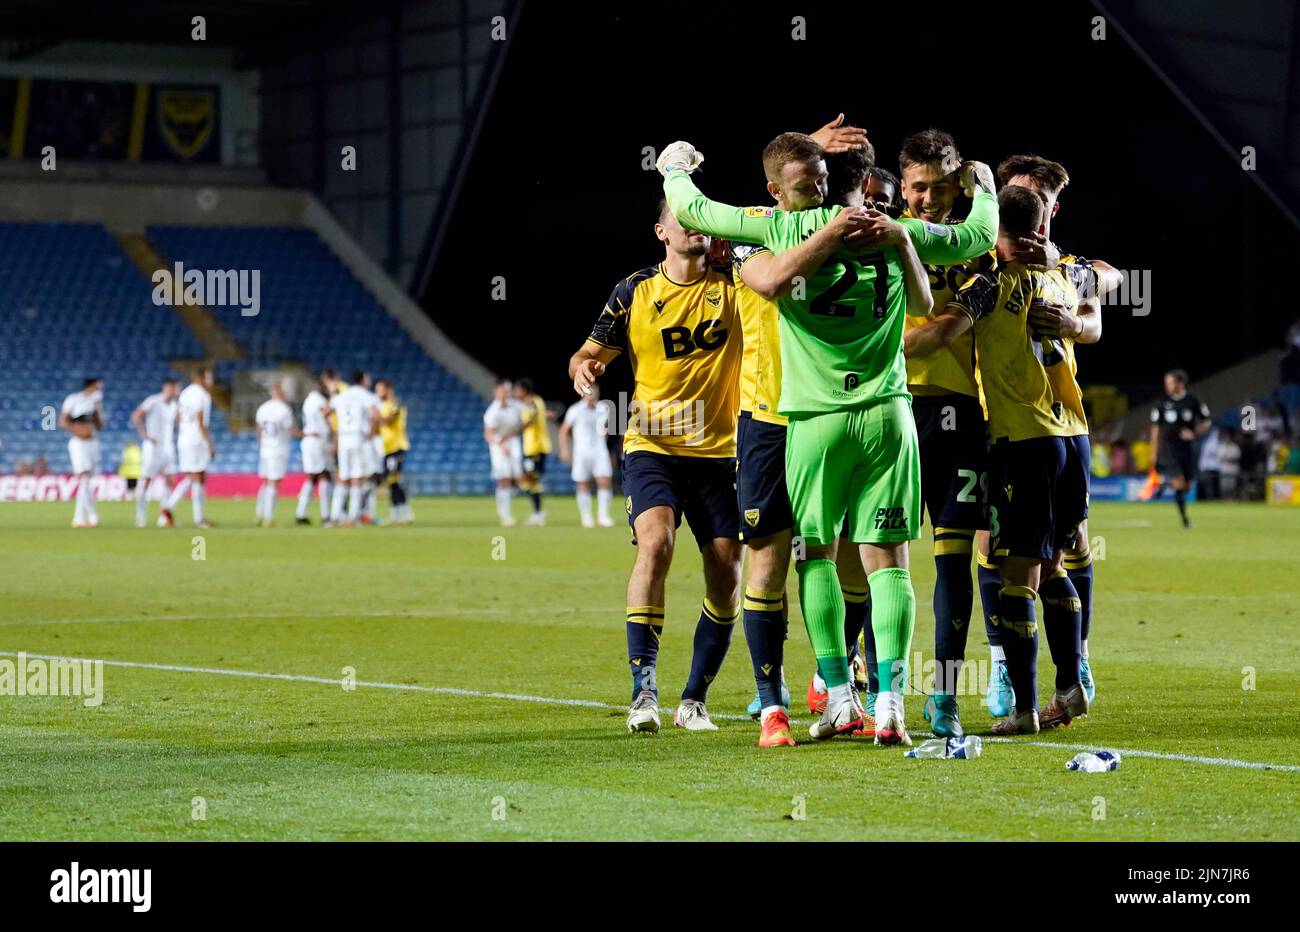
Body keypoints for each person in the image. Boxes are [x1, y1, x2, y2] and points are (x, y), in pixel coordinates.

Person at [660, 131, 989, 744]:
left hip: (813, 421)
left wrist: (674, 168)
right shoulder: (894, 230)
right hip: (890, 413)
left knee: (813, 556)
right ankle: (889, 700)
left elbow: (697, 211)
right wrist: (984, 187)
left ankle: (838, 695)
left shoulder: (782, 231)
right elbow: (971, 241)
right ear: (869, 183)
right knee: (887, 564)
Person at [910, 185, 1121, 734]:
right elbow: (1105, 276)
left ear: (991, 230)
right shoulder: (1064, 276)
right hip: (1073, 436)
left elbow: (944, 331)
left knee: (1016, 577)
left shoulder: (985, 284)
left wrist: (870, 344)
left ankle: (1024, 709)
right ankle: (1072, 683)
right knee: (1056, 563)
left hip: (1022, 439)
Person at [567, 200, 743, 736]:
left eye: (701, 219)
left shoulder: (736, 283)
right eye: (683, 219)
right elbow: (584, 354)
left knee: (727, 572)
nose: (696, 228)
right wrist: (587, 368)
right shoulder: (633, 292)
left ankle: (695, 698)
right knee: (656, 543)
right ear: (661, 231)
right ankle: (643, 690)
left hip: (720, 452)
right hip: (652, 446)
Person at [1147, 368, 1212, 526]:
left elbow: (1206, 421)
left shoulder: (1192, 401)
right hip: (1170, 450)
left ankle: (1165, 484)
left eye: (1170, 382)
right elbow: (1156, 430)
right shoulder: (1162, 403)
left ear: (1180, 383)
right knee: (1179, 481)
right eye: (1166, 382)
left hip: (1188, 449)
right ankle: (1185, 519)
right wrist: (1153, 452)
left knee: (1187, 486)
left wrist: (1194, 433)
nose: (1167, 386)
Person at [162, 366, 216, 528]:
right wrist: (210, 444)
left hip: (184, 439)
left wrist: (185, 431)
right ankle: (193, 516)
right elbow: (201, 422)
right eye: (208, 377)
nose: (211, 380)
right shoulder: (202, 395)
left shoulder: (185, 393)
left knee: (196, 477)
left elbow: (178, 418)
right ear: (201, 377)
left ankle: (173, 508)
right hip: (196, 440)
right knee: (197, 476)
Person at [558, 385, 616, 528]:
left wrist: (605, 446)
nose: (592, 394)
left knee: (604, 481)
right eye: (589, 391)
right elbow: (564, 430)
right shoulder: (575, 410)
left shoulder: (603, 408)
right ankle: (586, 517)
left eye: (595, 391)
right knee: (583, 483)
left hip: (599, 451)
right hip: (582, 452)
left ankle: (603, 516)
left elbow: (605, 430)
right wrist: (565, 449)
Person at [329, 371, 381, 527]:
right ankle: (353, 517)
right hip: (358, 437)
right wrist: (371, 433)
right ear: (363, 380)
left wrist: (335, 429)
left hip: (343, 437)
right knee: (357, 479)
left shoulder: (342, 395)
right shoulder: (365, 395)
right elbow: (374, 415)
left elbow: (325, 410)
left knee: (343, 477)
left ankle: (335, 516)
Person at [131, 377, 180, 528]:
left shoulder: (174, 405)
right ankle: (140, 516)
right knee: (146, 481)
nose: (177, 391)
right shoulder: (153, 401)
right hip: (152, 447)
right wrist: (145, 435)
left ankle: (163, 516)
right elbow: (136, 415)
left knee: (170, 480)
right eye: (175, 388)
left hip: (168, 447)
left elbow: (178, 422)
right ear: (167, 388)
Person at [254, 379, 300, 527]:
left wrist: (262, 445)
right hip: (278, 449)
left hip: (265, 449)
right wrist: (303, 433)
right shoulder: (284, 409)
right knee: (274, 483)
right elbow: (290, 431)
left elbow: (259, 430)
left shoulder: (262, 408)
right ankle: (268, 517)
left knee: (266, 482)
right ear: (279, 392)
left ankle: (259, 514)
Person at [59, 377, 103, 528]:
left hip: (93, 443)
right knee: (84, 478)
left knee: (87, 480)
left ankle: (91, 516)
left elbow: (99, 425)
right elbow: (62, 421)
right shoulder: (73, 399)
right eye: (98, 387)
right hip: (79, 444)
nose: (100, 390)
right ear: (90, 387)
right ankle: (78, 518)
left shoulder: (95, 403)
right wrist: (77, 428)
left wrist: (97, 410)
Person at [296, 369, 337, 525]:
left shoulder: (310, 399)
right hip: (317, 440)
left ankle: (301, 513)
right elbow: (327, 415)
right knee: (325, 476)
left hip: (310, 440)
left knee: (312, 478)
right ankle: (326, 515)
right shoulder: (319, 400)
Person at [483, 379, 524, 526]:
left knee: (520, 478)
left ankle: (504, 501)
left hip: (513, 443)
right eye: (502, 390)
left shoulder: (516, 406)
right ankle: (505, 514)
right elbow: (488, 434)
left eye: (507, 389)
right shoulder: (492, 411)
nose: (505, 392)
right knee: (504, 479)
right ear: (496, 391)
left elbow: (524, 421)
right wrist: (500, 446)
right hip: (498, 446)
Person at [514, 378, 552, 526]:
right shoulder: (535, 402)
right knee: (529, 480)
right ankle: (538, 512)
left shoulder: (533, 402)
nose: (515, 393)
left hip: (536, 448)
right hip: (532, 448)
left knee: (528, 479)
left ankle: (538, 513)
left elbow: (533, 416)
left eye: (517, 390)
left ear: (524, 391)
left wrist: (516, 430)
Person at [375, 379, 413, 524]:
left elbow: (390, 420)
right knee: (393, 482)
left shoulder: (395, 403)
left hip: (397, 448)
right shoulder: (383, 406)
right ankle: (399, 513)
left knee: (393, 480)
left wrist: (376, 418)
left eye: (380, 389)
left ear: (389, 389)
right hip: (387, 449)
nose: (378, 392)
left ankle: (403, 513)